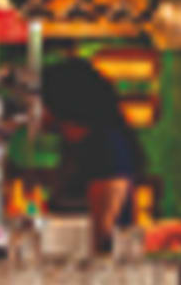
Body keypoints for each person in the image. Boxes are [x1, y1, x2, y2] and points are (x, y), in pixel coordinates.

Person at [37, 49, 148, 248]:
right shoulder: (76, 145)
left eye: (41, 103)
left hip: (93, 262)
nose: (36, 112)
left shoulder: (108, 145)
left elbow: (104, 232)